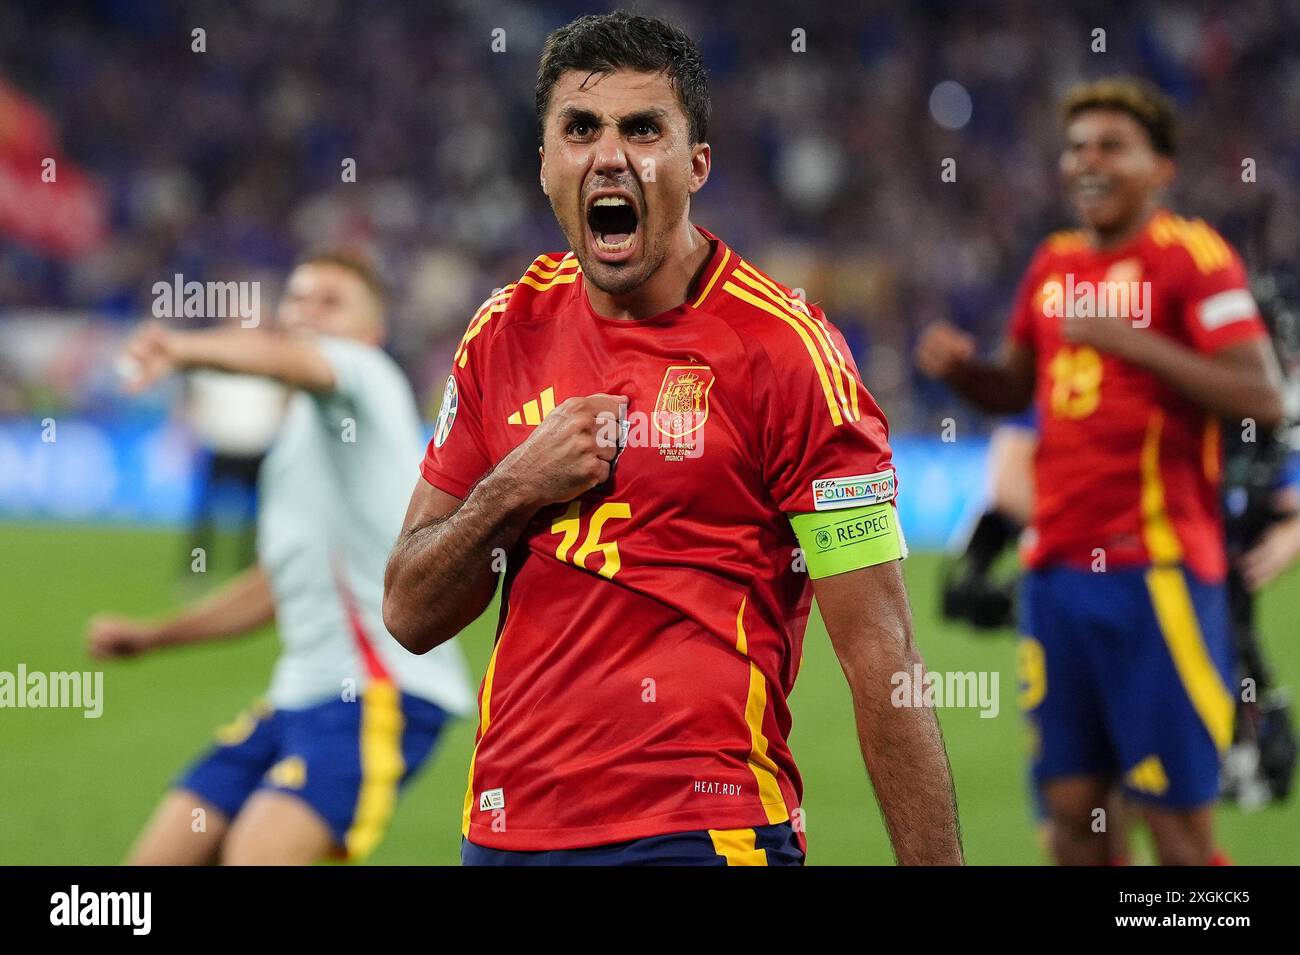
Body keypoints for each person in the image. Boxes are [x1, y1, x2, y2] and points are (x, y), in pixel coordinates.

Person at [383, 12, 963, 866]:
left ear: (696, 165)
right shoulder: (502, 332)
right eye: (579, 129)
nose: (608, 154)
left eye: (642, 128)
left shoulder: (786, 353)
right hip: (506, 832)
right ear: (545, 162)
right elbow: (409, 609)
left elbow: (883, 652)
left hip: (702, 828)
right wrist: (514, 486)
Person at [916, 77, 1285, 865]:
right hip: (1056, 578)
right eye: (1077, 146)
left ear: (1161, 169)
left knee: (1177, 829)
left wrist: (1134, 342)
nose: (1088, 160)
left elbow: (1261, 396)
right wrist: (964, 374)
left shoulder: (1194, 258)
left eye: (1112, 145)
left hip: (1155, 573)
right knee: (1073, 818)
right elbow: (1016, 388)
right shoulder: (1052, 264)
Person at [85, 251, 474, 865]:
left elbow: (292, 359)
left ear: (372, 333)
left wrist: (186, 351)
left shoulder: (365, 372)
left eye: (331, 302)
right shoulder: (299, 439)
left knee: (253, 857)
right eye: (299, 299)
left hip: (376, 692)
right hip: (295, 697)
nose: (309, 314)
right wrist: (153, 637)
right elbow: (279, 585)